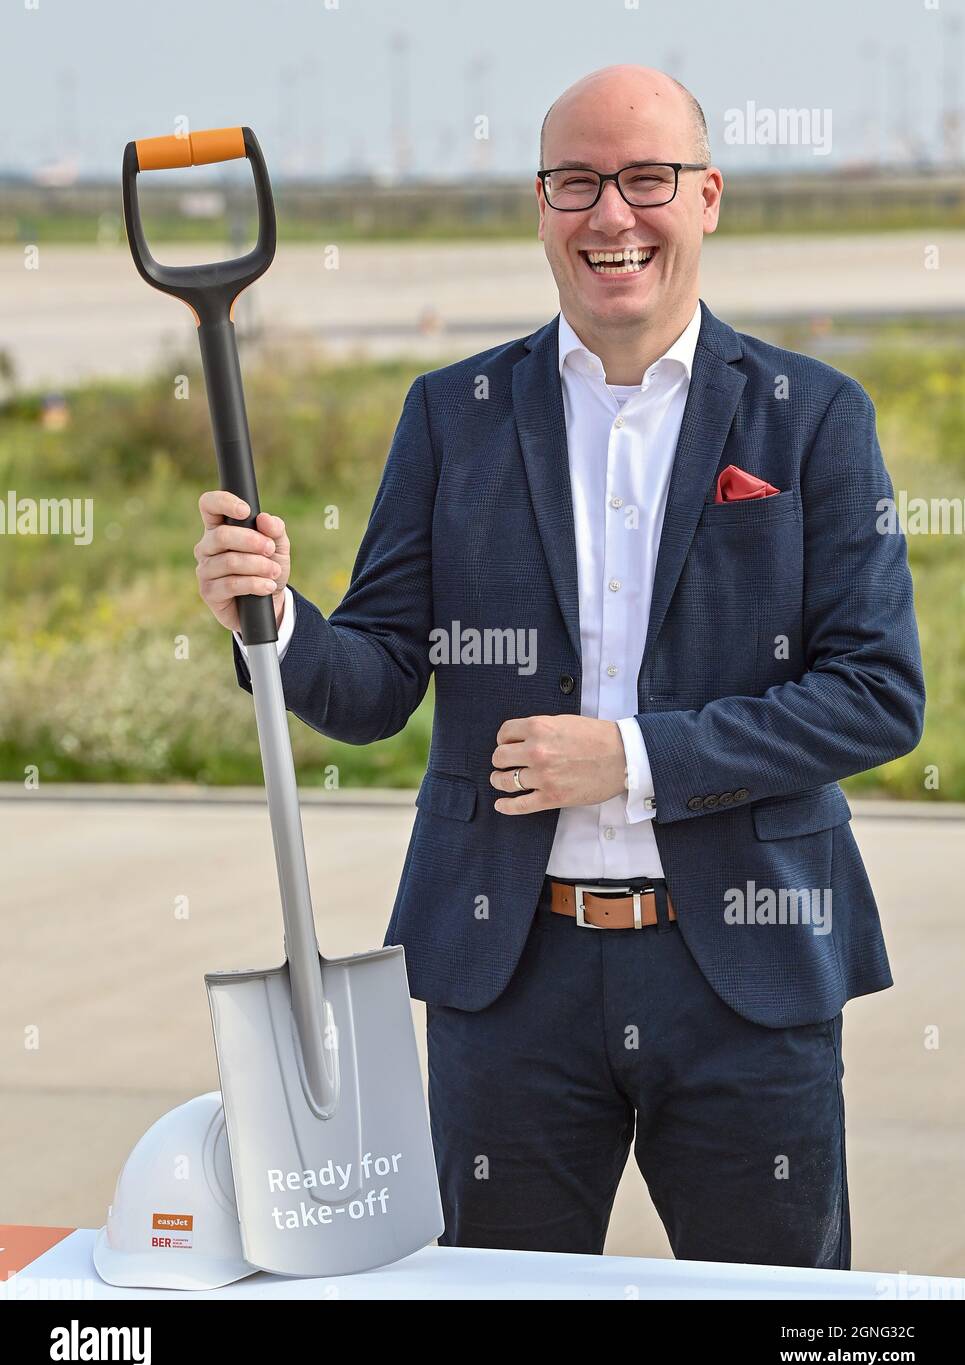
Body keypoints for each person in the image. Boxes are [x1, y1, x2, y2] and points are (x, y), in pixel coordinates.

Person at [193, 66, 925, 1268]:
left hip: (745, 976)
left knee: (780, 1324)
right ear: (541, 206)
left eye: (645, 178)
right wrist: (272, 619)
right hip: (508, 979)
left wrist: (631, 759)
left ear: (707, 198)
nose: (610, 215)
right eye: (575, 182)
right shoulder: (452, 415)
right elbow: (374, 681)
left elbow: (874, 691)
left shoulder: (811, 417)